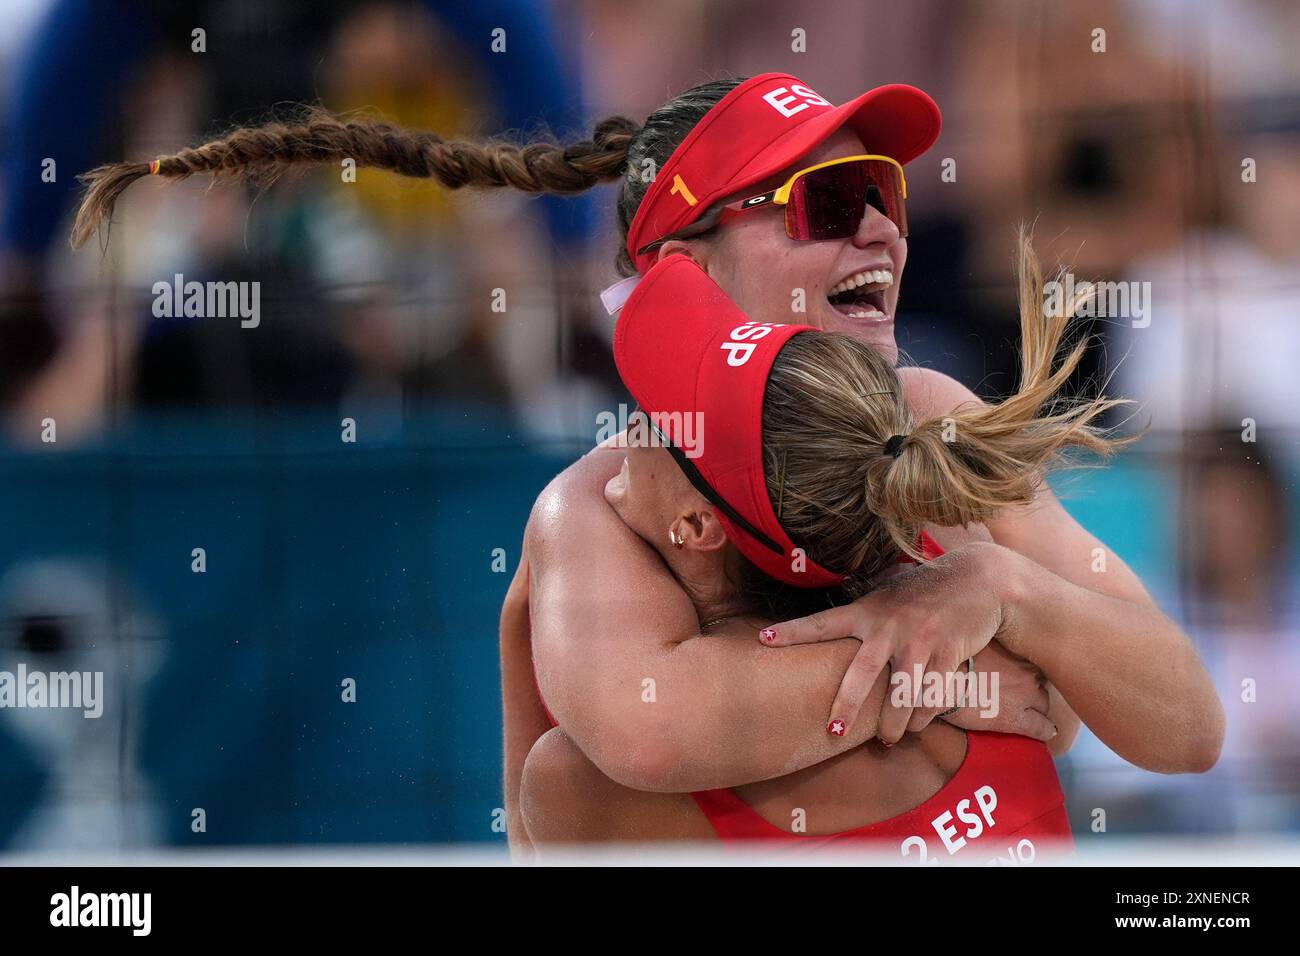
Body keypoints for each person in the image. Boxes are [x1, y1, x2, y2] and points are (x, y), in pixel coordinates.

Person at [68, 72, 1226, 861]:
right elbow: (654, 730)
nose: (879, 230)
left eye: (882, 194)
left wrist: (999, 592)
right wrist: (968, 679)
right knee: (574, 781)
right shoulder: (599, 507)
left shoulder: (929, 409)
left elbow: (1184, 721)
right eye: (827, 201)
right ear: (683, 263)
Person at [519, 240, 1119, 853]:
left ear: (698, 526)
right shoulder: (996, 648)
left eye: (652, 417)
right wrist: (948, 671)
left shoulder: (594, 782)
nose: (622, 430)